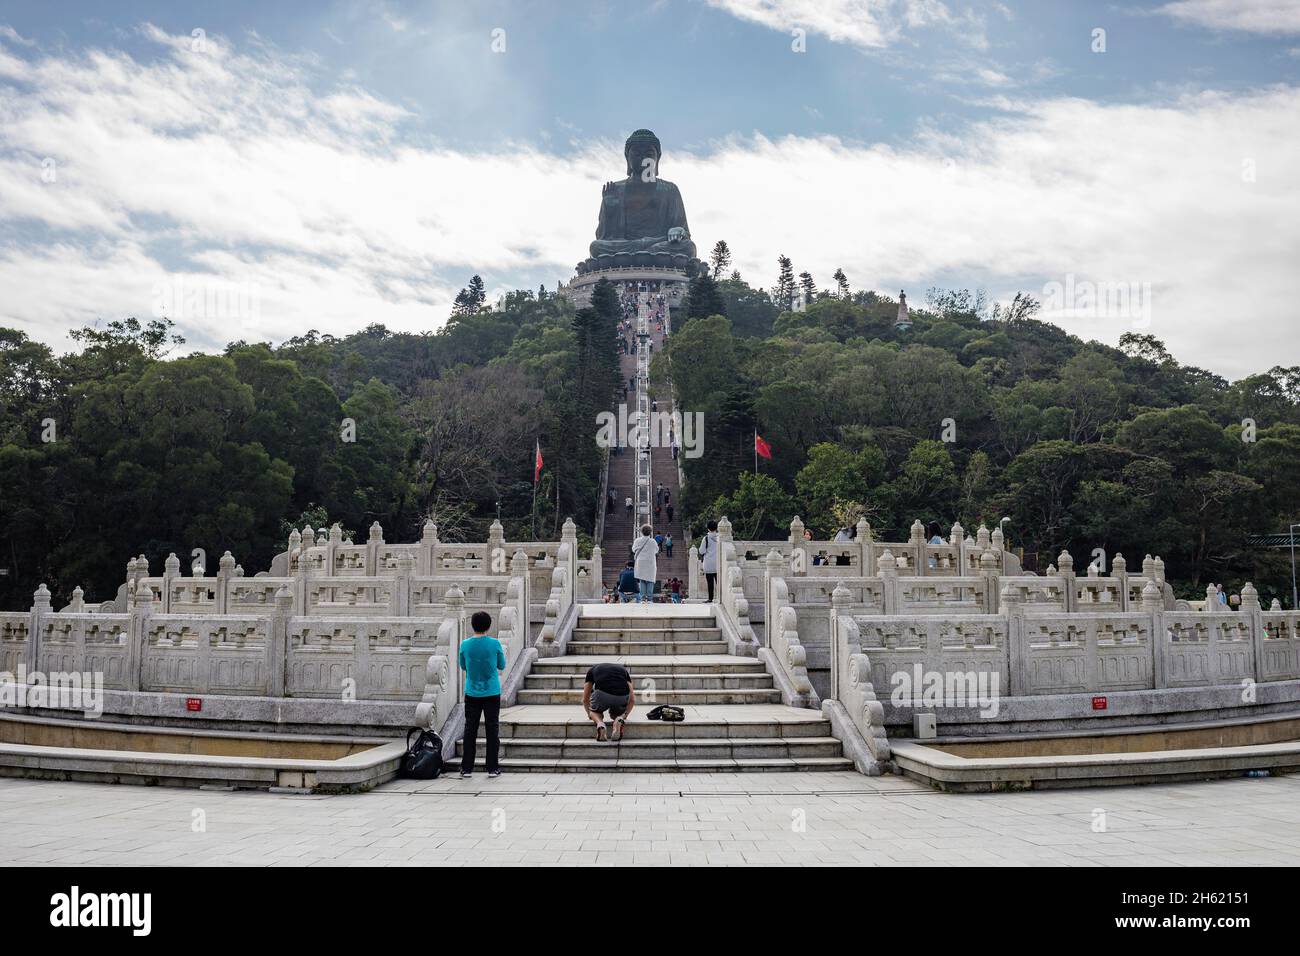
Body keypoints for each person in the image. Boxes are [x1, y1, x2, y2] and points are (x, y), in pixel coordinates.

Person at [458, 610, 507, 779]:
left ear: (473, 625)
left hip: (472, 691)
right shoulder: (495, 644)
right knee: (492, 729)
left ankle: (466, 768)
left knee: (470, 729)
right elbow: (502, 665)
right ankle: (492, 768)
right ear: (488, 625)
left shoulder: (465, 644)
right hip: (492, 691)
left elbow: (463, 666)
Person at [584, 661, 634, 741]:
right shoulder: (623, 670)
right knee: (615, 714)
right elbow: (632, 699)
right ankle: (618, 719)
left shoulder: (592, 670)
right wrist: (624, 715)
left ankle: (600, 725)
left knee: (595, 712)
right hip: (622, 695)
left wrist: (590, 713)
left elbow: (585, 699)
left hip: (601, 693)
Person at [631, 524, 658, 603]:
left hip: (641, 562)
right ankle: (649, 598)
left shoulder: (637, 540)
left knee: (642, 580)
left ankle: (642, 598)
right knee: (650, 580)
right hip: (650, 562)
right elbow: (656, 550)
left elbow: (633, 550)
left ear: (641, 532)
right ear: (650, 532)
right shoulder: (653, 541)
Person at [699, 520, 719, 602]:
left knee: (710, 582)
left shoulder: (706, 538)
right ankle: (721, 598)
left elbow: (701, 551)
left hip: (709, 564)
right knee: (719, 582)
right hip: (719, 563)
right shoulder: (720, 537)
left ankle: (710, 598)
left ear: (708, 528)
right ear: (716, 528)